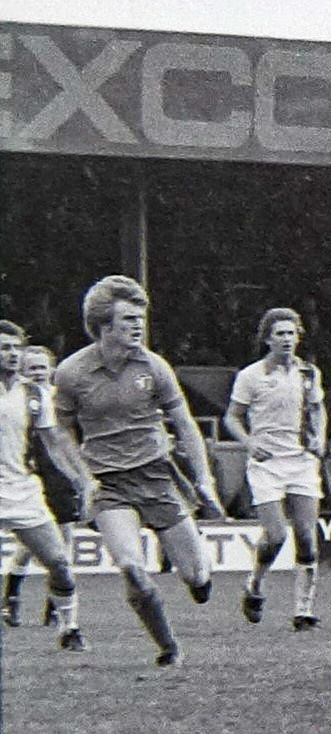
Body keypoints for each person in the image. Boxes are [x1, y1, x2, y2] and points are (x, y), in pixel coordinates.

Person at [49, 275, 227, 666]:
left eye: (140, 318)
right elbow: (61, 429)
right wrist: (83, 477)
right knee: (131, 566)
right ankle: (168, 648)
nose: (138, 326)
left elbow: (185, 426)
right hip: (108, 483)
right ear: (103, 326)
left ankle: (198, 578)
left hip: (156, 475)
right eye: (128, 319)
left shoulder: (155, 366)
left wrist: (203, 481)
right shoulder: (71, 373)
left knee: (197, 577)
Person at [224, 307, 329, 631]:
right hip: (267, 463)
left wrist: (321, 438)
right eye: (279, 333)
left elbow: (318, 408)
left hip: (300, 460)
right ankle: (255, 584)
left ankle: (303, 611)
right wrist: (249, 442)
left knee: (307, 537)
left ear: (299, 336)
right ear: (268, 339)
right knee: (276, 535)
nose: (286, 339)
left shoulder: (309, 373)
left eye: (291, 333)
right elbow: (232, 417)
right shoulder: (251, 376)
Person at [0, 327, 92, 651]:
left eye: (15, 348)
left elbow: (53, 442)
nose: (12, 354)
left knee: (59, 562)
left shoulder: (35, 395)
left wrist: (79, 478)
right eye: (4, 348)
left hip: (22, 491)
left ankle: (69, 629)